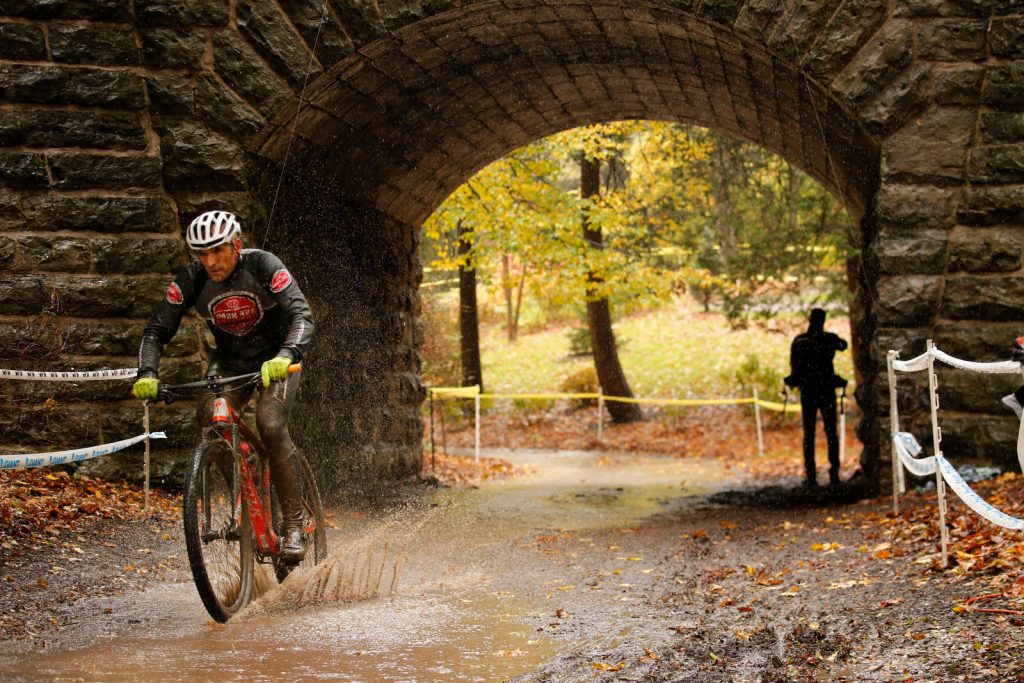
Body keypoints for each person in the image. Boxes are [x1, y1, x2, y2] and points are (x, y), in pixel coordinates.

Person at [132, 210, 314, 560]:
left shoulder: (263, 265)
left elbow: (301, 315)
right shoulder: (191, 280)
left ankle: (293, 522)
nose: (211, 261)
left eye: (218, 250)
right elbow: (156, 330)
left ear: (237, 245)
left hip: (277, 359)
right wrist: (147, 372)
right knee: (211, 419)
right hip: (231, 361)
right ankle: (248, 504)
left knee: (270, 424)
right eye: (202, 254)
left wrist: (287, 354)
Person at [784, 308, 848, 487]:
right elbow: (843, 345)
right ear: (823, 320)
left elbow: (794, 367)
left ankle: (811, 474)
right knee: (830, 432)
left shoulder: (800, 341)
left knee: (809, 432)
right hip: (826, 389)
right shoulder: (828, 339)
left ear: (809, 319)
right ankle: (833, 472)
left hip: (809, 390)